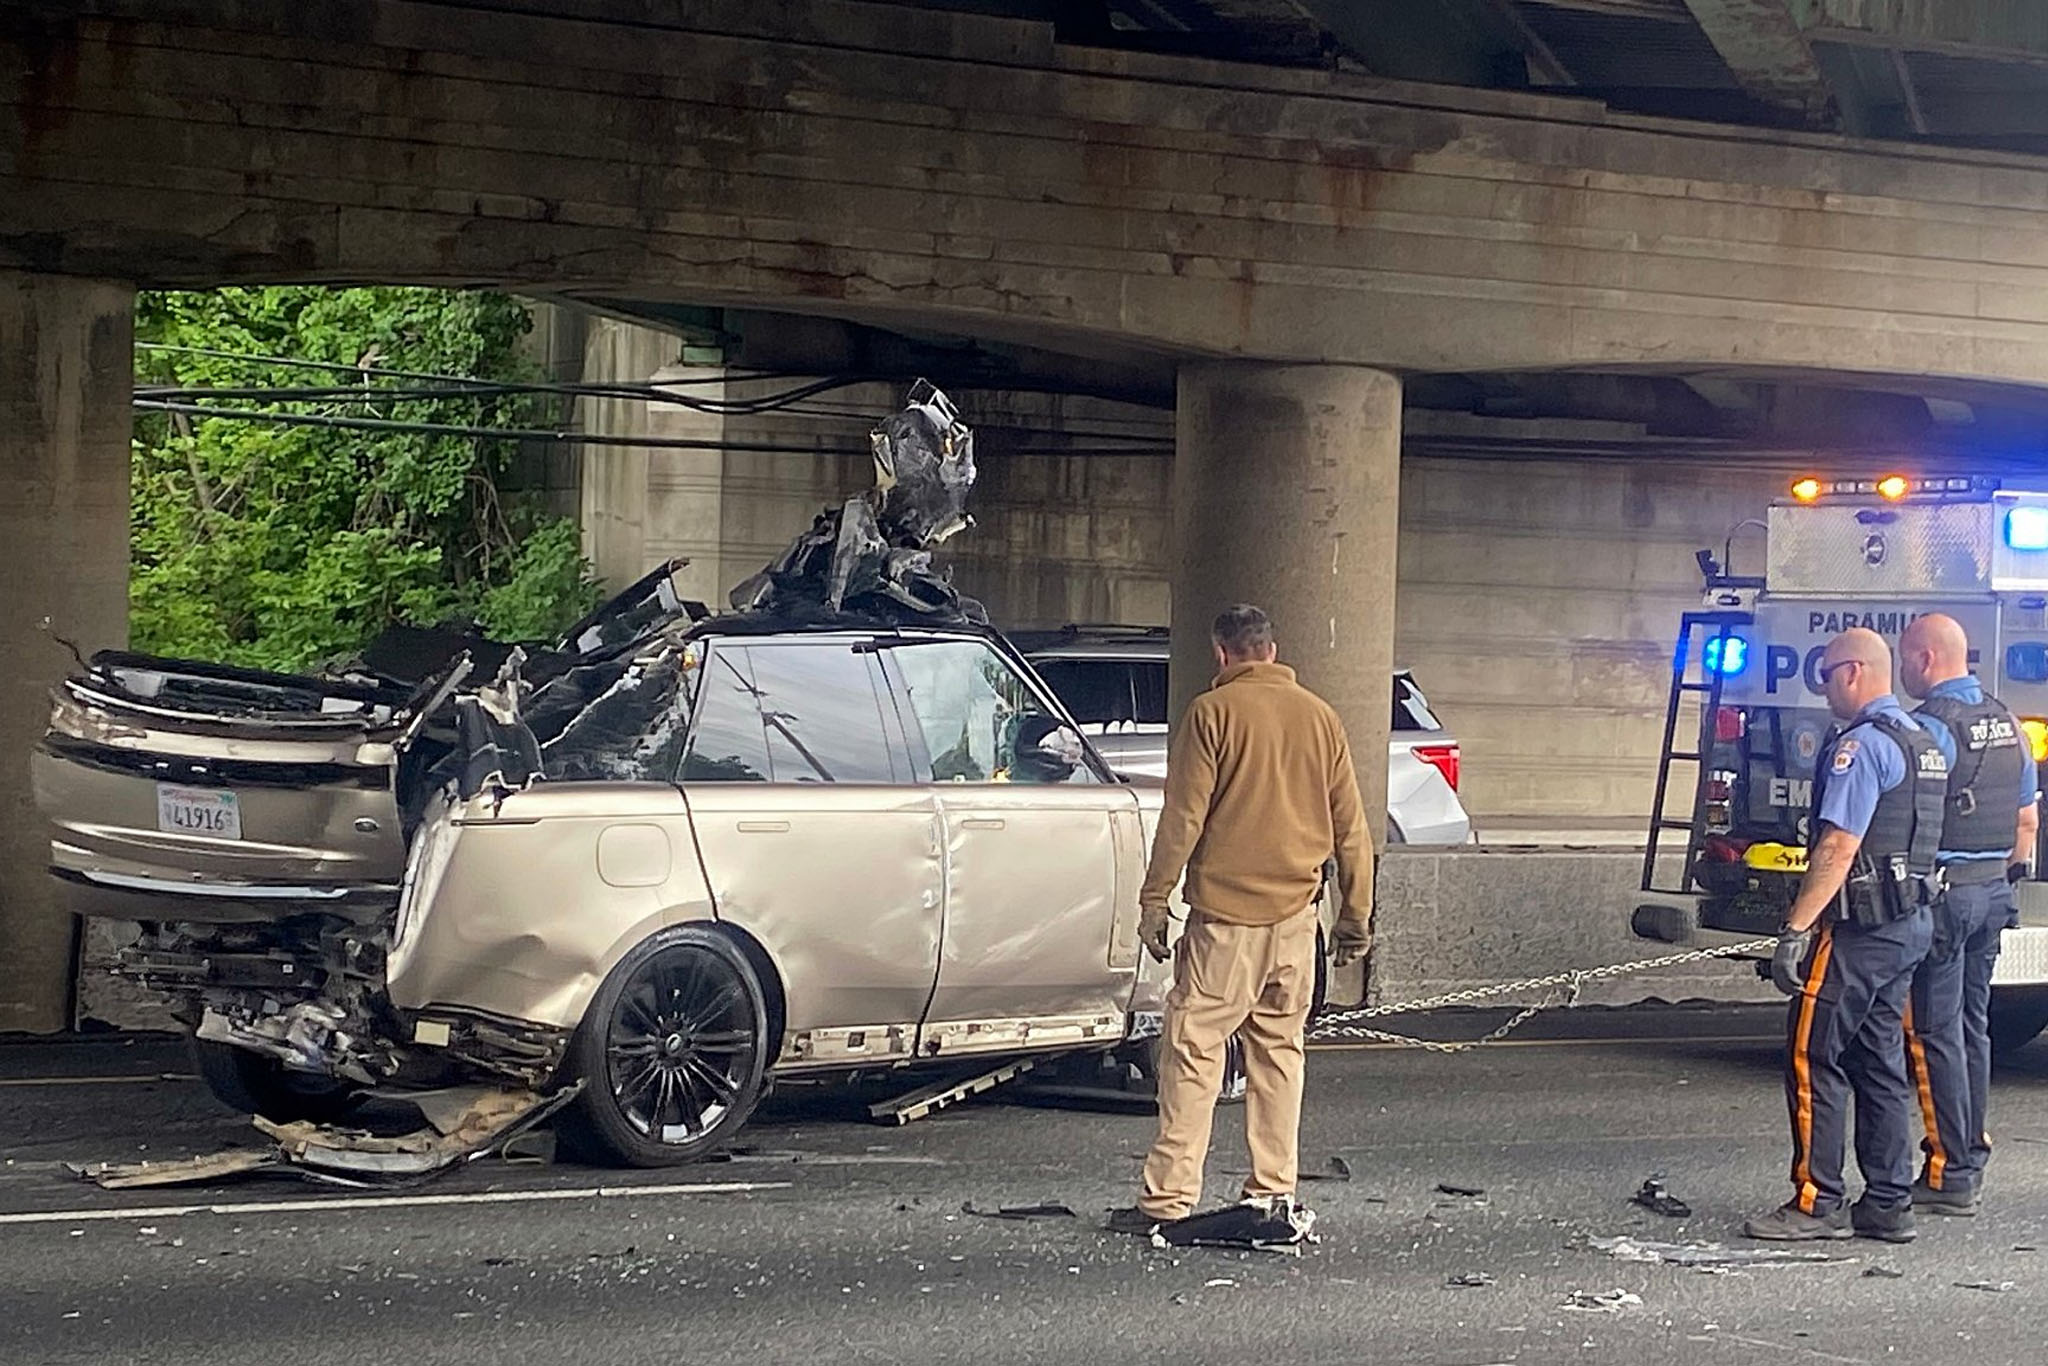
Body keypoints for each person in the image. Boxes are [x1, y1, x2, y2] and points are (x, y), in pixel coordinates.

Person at [1105, 604, 1374, 1235]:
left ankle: (1168, 1200)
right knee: (1279, 1053)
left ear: (1222, 654)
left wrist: (1154, 898)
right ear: (1272, 653)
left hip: (1225, 923)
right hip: (1297, 923)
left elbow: (1183, 818)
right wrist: (1354, 917)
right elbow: (1352, 830)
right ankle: (1272, 1191)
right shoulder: (1321, 718)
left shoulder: (1212, 714)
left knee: (1195, 1053)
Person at [1746, 627, 1947, 1244]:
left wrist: (1795, 929)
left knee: (1814, 1055)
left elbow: (1837, 846)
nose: (1824, 688)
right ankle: (1888, 1202)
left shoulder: (1860, 747)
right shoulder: (1925, 740)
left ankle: (1817, 1201)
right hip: (1910, 923)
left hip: (1857, 931)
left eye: (1826, 675)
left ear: (1853, 672)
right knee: (1880, 1061)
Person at [1896, 613, 2040, 1216]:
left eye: (1906, 658)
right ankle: (1970, 1151)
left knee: (1934, 1034)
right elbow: (2027, 824)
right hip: (1992, 894)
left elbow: (1910, 823)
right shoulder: (2010, 722)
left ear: (1925, 660)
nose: (1904, 669)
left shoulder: (1931, 729)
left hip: (1947, 898)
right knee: (1972, 1030)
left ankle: (1948, 1170)